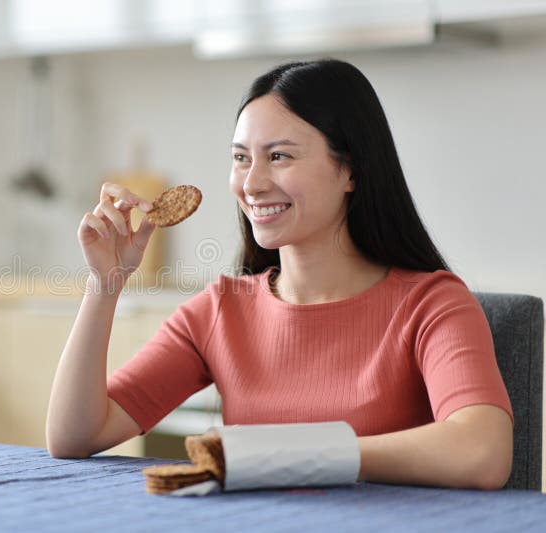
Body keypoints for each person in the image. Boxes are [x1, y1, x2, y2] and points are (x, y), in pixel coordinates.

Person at [46, 59, 513, 490]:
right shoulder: (219, 312)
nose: (251, 184)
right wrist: (105, 284)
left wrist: (294, 453)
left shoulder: (432, 304)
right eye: (241, 158)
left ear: (350, 169)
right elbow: (74, 436)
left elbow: (483, 452)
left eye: (280, 156)